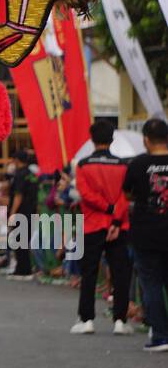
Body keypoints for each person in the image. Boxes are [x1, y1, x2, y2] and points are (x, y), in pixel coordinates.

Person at [71, 121, 132, 336]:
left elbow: (85, 194)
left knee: (89, 272)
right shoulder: (123, 165)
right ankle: (120, 320)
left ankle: (87, 319)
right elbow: (126, 195)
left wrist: (106, 207)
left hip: (92, 224)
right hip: (118, 225)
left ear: (92, 139)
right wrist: (115, 214)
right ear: (112, 139)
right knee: (120, 273)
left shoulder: (83, 165)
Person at [118, 116, 168, 352]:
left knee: (151, 285)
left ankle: (160, 335)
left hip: (146, 233)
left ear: (146, 140)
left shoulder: (137, 164)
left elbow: (127, 194)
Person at [5, 148, 38, 280]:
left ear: (17, 160)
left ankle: (22, 270)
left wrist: (12, 213)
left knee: (19, 242)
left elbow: (18, 195)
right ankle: (26, 269)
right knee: (25, 241)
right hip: (30, 211)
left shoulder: (19, 174)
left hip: (21, 211)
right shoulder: (31, 173)